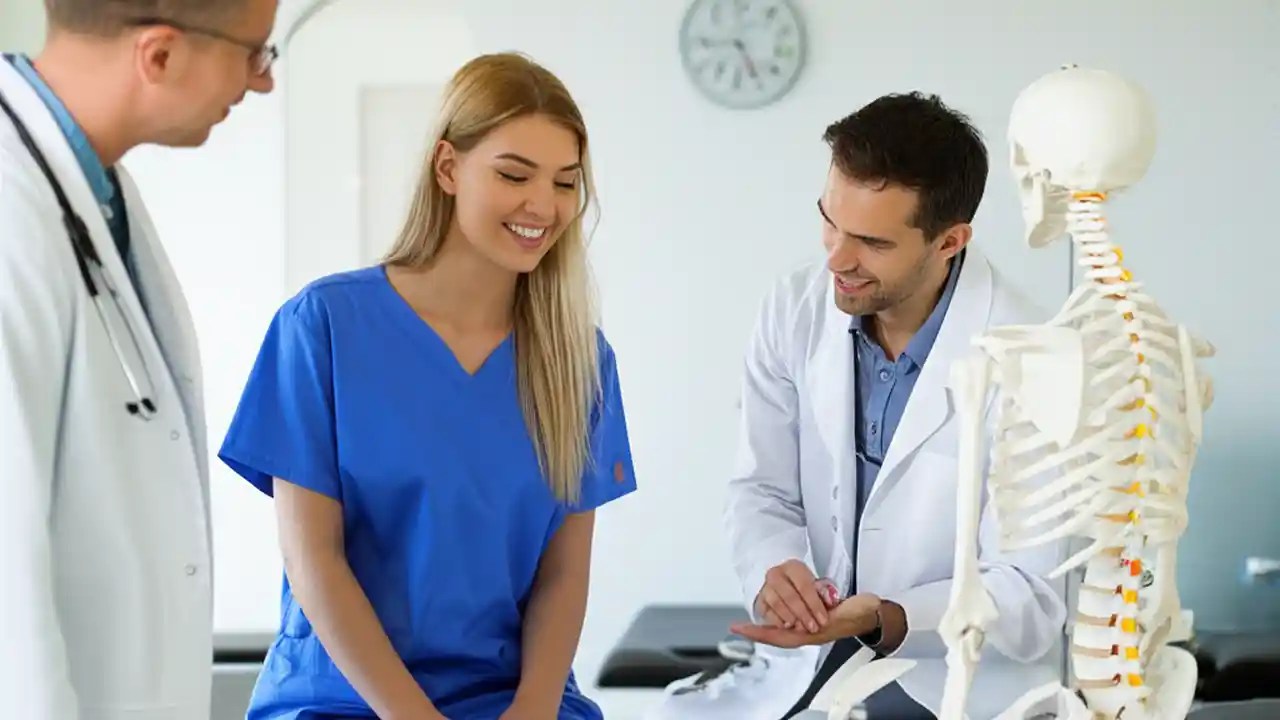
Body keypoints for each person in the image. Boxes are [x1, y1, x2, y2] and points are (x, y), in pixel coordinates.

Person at [217, 52, 637, 720]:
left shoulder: (577, 360)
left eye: (565, 182)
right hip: (343, 700)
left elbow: (562, 574)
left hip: (512, 701)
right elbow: (313, 558)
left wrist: (530, 712)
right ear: (448, 168)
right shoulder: (323, 327)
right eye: (513, 174)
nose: (543, 205)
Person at [722, 93, 1069, 718]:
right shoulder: (794, 307)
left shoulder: (1036, 358)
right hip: (815, 675)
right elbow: (761, 490)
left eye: (871, 242)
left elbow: (1031, 595)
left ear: (950, 241)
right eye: (829, 221)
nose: (835, 258)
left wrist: (887, 616)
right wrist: (775, 569)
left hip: (963, 686)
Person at [0, 1, 277, 718]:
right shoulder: (10, 209)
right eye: (254, 52)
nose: (261, 82)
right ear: (159, 54)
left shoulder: (93, 187)